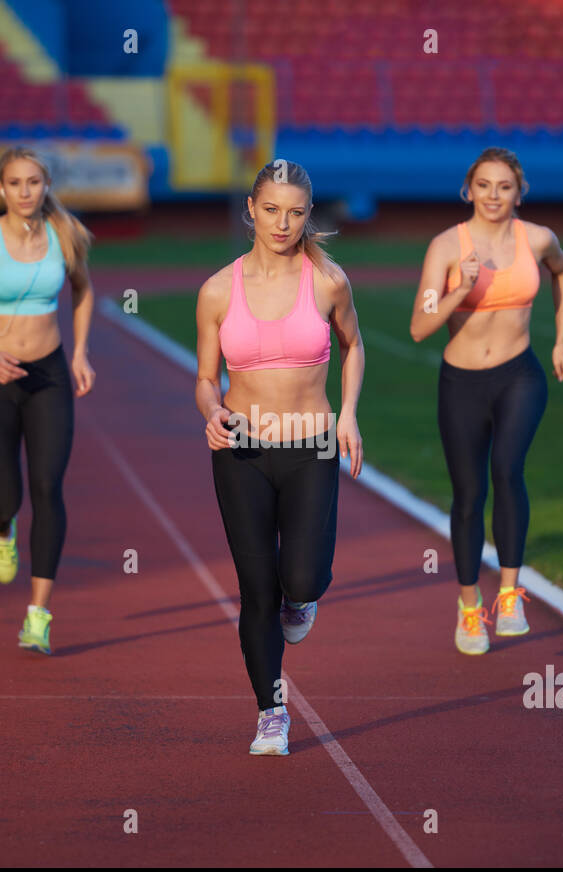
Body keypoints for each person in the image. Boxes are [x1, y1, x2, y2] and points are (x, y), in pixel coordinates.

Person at [195, 160, 365, 755]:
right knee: (256, 588)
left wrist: (346, 414)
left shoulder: (328, 282)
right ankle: (271, 711)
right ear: (251, 208)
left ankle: (306, 594)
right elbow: (204, 378)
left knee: (301, 576)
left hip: (312, 443)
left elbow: (354, 346)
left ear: (307, 215)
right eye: (271, 210)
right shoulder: (218, 289)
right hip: (240, 448)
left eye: (295, 212)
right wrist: (211, 412)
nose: (282, 223)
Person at [409, 147, 563, 655]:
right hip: (461, 381)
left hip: (519, 375)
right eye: (484, 185)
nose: (494, 195)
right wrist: (461, 288)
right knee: (468, 493)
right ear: (469, 189)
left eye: (504, 186)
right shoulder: (445, 247)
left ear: (519, 191)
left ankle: (509, 594)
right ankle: (468, 608)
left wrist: (561, 340)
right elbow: (420, 326)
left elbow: (562, 275)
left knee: (507, 469)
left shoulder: (539, 238)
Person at [0, 145, 96, 654]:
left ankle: (39, 613)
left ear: (45, 185)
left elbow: (83, 290)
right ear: (0, 188)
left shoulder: (64, 236)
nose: (26, 192)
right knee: (9, 495)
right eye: (16, 183)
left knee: (48, 486)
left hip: (48, 373)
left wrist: (80, 354)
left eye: (34, 182)